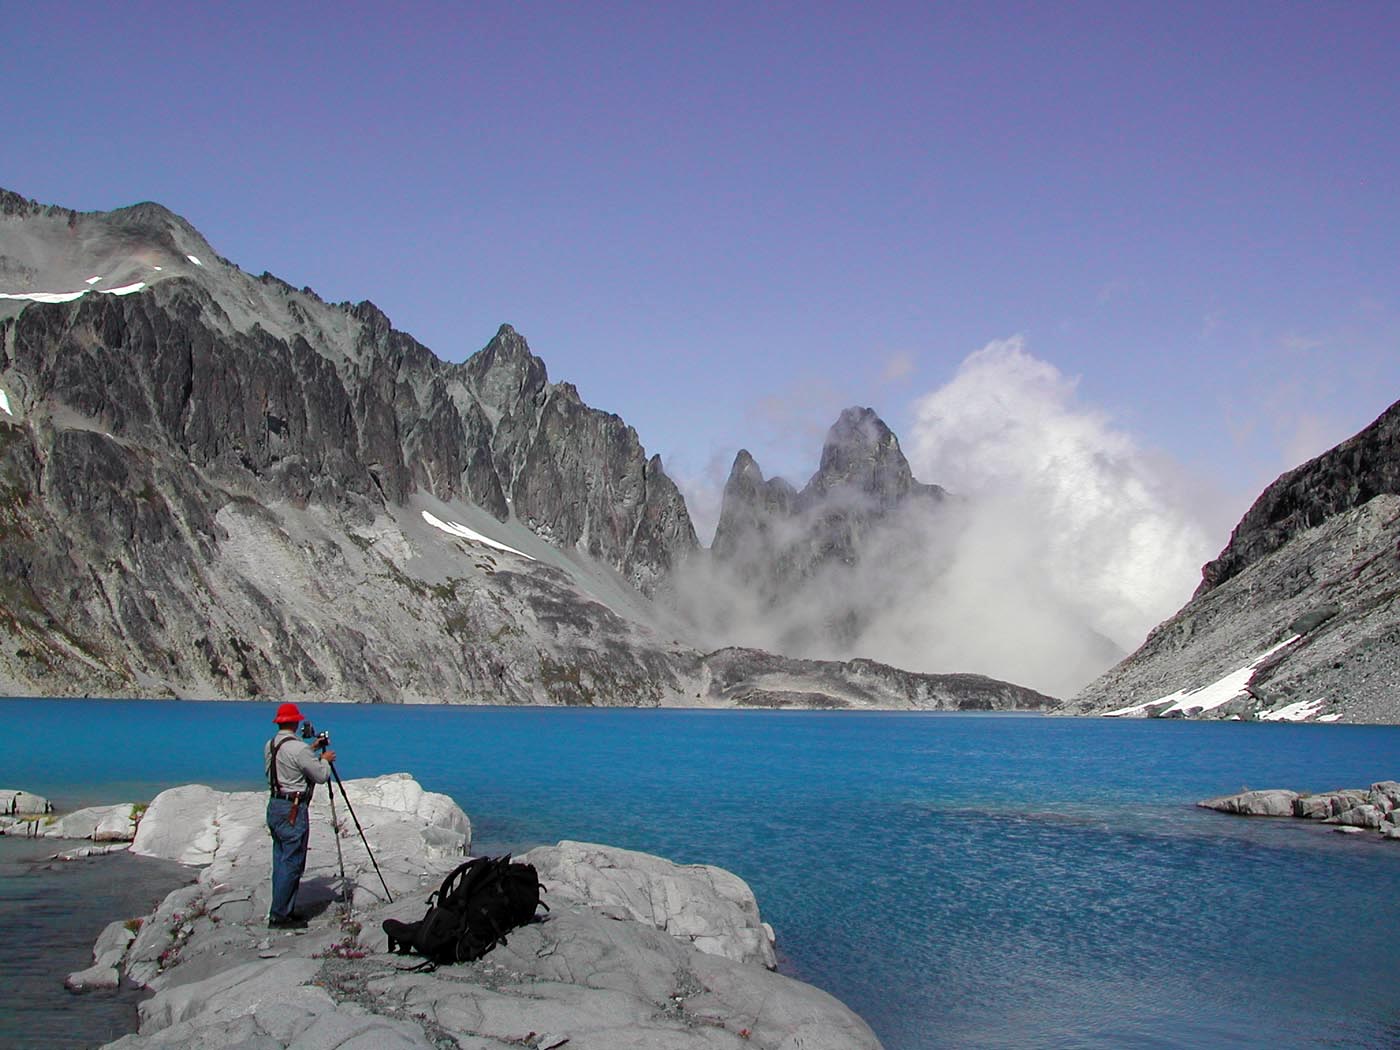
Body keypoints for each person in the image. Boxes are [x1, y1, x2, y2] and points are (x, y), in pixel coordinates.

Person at [264, 701, 336, 929]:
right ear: (295, 722)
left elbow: (292, 761)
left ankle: (281, 908)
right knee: (292, 861)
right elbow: (320, 776)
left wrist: (313, 747)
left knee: (280, 858)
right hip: (293, 809)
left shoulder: (271, 744)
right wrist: (324, 760)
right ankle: (280, 915)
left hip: (275, 805)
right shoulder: (299, 749)